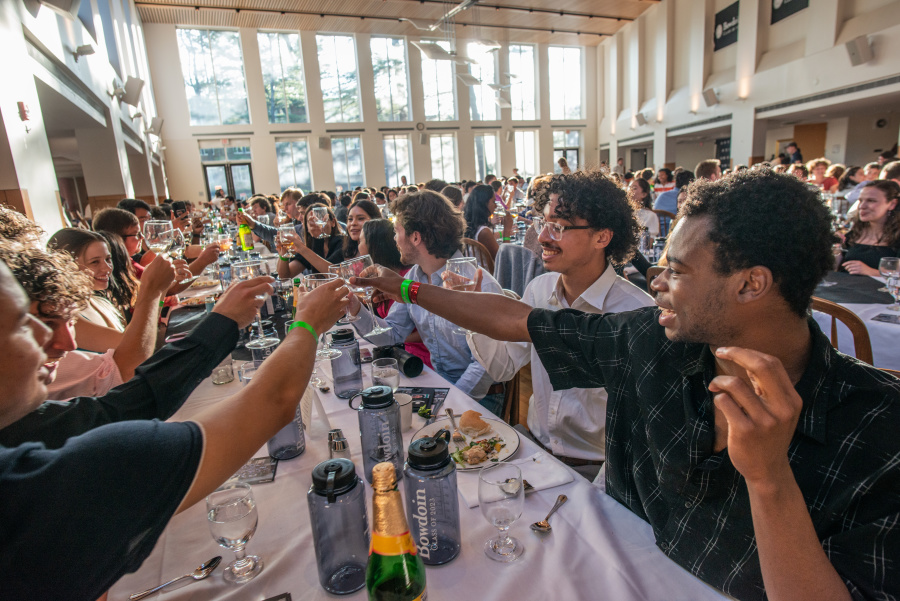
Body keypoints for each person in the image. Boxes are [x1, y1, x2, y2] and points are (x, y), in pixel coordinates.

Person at [354, 169, 900, 601]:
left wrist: (769, 478)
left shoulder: (880, 429)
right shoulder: (652, 341)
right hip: (604, 566)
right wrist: (404, 288)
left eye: (676, 271)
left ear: (751, 284)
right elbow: (517, 321)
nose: (656, 281)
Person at [0, 254, 347, 600]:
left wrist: (221, 323)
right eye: (21, 325)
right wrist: (307, 324)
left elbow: (123, 406)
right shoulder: (47, 481)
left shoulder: (29, 431)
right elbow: (272, 401)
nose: (59, 341)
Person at [467, 170, 654, 479]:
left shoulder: (637, 312)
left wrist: (600, 492)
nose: (542, 237)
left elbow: (645, 429)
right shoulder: (539, 290)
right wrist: (474, 311)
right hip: (535, 453)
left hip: (600, 472)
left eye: (558, 227)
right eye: (542, 222)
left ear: (602, 237)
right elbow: (502, 368)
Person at [348, 190, 506, 414]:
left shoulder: (475, 283)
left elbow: (485, 365)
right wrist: (355, 309)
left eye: (397, 231)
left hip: (480, 397)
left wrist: (448, 402)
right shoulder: (415, 276)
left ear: (415, 237)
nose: (394, 239)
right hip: (441, 386)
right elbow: (392, 333)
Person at [358, 218, 432, 369]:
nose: (394, 239)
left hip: (418, 357)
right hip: (403, 354)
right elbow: (392, 331)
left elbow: (428, 328)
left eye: (360, 241)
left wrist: (400, 339)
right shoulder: (400, 276)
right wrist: (356, 306)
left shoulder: (406, 279)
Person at [838, 180, 899, 276]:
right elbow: (835, 269)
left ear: (892, 204)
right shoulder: (855, 233)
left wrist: (871, 271)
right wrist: (835, 249)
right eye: (860, 201)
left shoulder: (897, 237)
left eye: (871, 201)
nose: (862, 206)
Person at [276, 202, 345, 278]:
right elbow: (284, 276)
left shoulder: (343, 243)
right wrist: (283, 252)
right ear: (307, 228)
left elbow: (329, 275)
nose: (317, 224)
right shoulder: (310, 247)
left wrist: (302, 248)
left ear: (333, 222)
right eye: (311, 221)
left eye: (320, 219)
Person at [464, 184, 514, 262]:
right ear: (484, 203)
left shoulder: (470, 225)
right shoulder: (483, 231)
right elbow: (503, 261)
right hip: (486, 269)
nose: (496, 206)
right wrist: (507, 230)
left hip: (474, 268)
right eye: (493, 201)